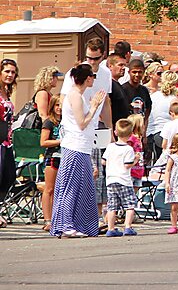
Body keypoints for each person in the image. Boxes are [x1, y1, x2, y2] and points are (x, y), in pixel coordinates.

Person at [50, 64, 106, 238]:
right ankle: (66, 224)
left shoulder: (78, 96)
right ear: (87, 78)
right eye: (92, 77)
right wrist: (95, 106)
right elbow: (82, 123)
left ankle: (79, 223)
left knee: (83, 188)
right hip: (75, 146)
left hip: (81, 147)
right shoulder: (74, 95)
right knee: (71, 187)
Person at [102, 118, 139, 237]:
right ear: (130, 134)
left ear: (115, 132)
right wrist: (136, 160)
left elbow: (103, 161)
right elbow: (127, 165)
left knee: (112, 206)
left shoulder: (110, 147)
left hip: (111, 180)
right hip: (124, 180)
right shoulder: (128, 149)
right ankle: (128, 227)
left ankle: (111, 228)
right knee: (129, 205)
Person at [39, 94, 63, 231]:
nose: (59, 108)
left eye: (61, 105)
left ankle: (57, 218)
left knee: (60, 189)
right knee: (49, 188)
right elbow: (43, 142)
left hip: (64, 156)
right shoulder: (49, 122)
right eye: (57, 105)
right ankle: (47, 219)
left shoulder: (67, 121)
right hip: (53, 157)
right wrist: (60, 142)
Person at [0, 58, 17, 203]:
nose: (10, 75)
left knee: (10, 176)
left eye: (13, 72)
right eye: (6, 71)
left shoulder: (7, 92)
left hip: (7, 141)